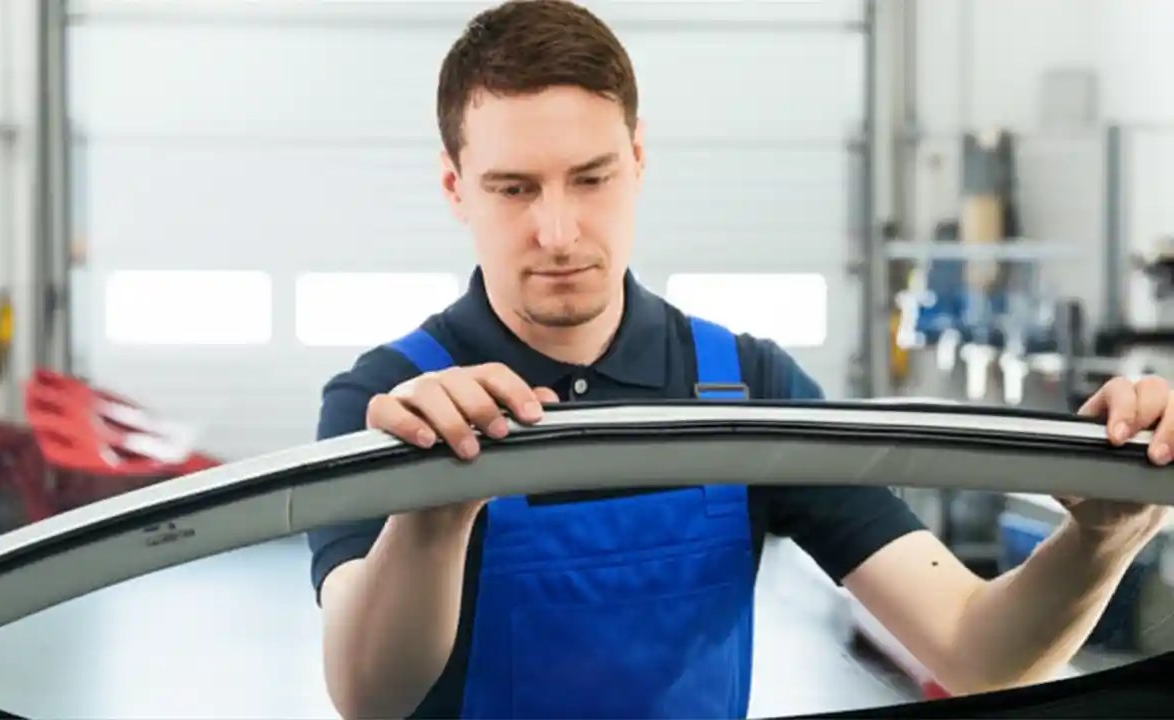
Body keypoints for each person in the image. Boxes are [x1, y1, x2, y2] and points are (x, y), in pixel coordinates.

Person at [307, 1, 1174, 717]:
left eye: (593, 177)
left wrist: (1100, 536)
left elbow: (979, 652)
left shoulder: (744, 390)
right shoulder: (387, 401)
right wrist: (432, 511)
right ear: (456, 187)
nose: (560, 231)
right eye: (514, 188)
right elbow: (368, 698)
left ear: (640, 160)